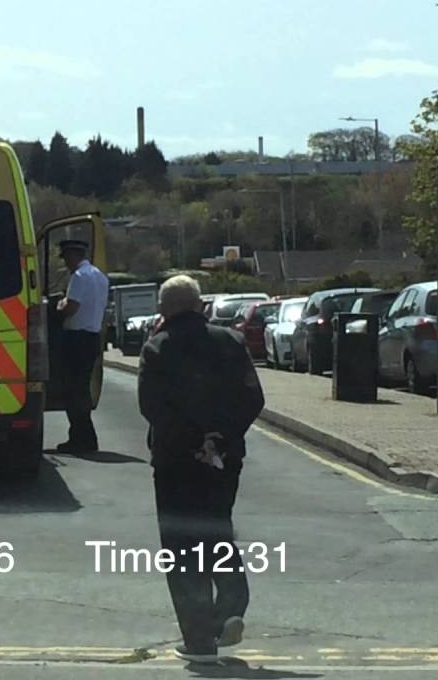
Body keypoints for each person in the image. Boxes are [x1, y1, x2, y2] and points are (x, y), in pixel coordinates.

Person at [137, 275, 265, 664]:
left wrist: (194, 441)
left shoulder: (157, 348)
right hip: (224, 460)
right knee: (216, 528)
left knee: (181, 547)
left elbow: (153, 408)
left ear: (163, 310)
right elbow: (252, 397)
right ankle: (229, 607)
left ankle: (199, 641)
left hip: (177, 461)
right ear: (200, 306)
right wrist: (219, 438)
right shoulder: (231, 342)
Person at [53, 238, 109, 454]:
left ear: (73, 255)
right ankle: (83, 436)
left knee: (73, 391)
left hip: (76, 339)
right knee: (82, 390)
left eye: (66, 257)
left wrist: (59, 305)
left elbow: (71, 308)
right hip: (92, 337)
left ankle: (82, 438)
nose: (66, 262)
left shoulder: (79, 276)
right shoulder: (100, 277)